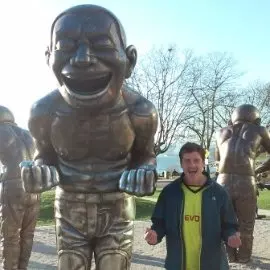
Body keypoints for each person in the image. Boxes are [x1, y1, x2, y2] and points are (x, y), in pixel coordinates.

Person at [20, 4, 158, 270]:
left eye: (102, 45)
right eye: (66, 47)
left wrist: (145, 174)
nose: (83, 58)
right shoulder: (44, 113)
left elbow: (146, 156)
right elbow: (44, 156)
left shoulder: (140, 111)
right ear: (49, 57)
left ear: (129, 60)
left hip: (117, 208)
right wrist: (38, 173)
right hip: (69, 209)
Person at [144, 142, 240, 270]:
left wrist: (231, 236)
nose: (192, 165)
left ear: (203, 163)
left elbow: (229, 225)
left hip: (212, 265)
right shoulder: (169, 192)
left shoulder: (219, 193)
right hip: (177, 264)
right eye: (187, 161)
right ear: (181, 163)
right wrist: (154, 235)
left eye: (196, 160)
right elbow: (159, 223)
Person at [215, 104, 270, 263]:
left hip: (222, 181)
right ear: (256, 119)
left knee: (225, 222)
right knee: (246, 224)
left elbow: (218, 160)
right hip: (246, 181)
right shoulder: (260, 130)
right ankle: (244, 257)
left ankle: (229, 256)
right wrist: (257, 168)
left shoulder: (220, 132)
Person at [0, 105, 40, 270]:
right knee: (27, 234)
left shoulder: (1, 132)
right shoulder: (27, 134)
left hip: (13, 186)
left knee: (10, 237)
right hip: (34, 186)